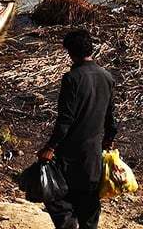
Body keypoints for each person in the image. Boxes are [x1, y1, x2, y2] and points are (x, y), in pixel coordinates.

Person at [37, 30, 118, 229]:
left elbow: (65, 119)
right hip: (93, 154)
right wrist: (109, 138)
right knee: (90, 204)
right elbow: (111, 116)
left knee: (59, 196)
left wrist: (50, 147)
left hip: (70, 154)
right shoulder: (107, 77)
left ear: (71, 53)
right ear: (91, 49)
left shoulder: (72, 78)